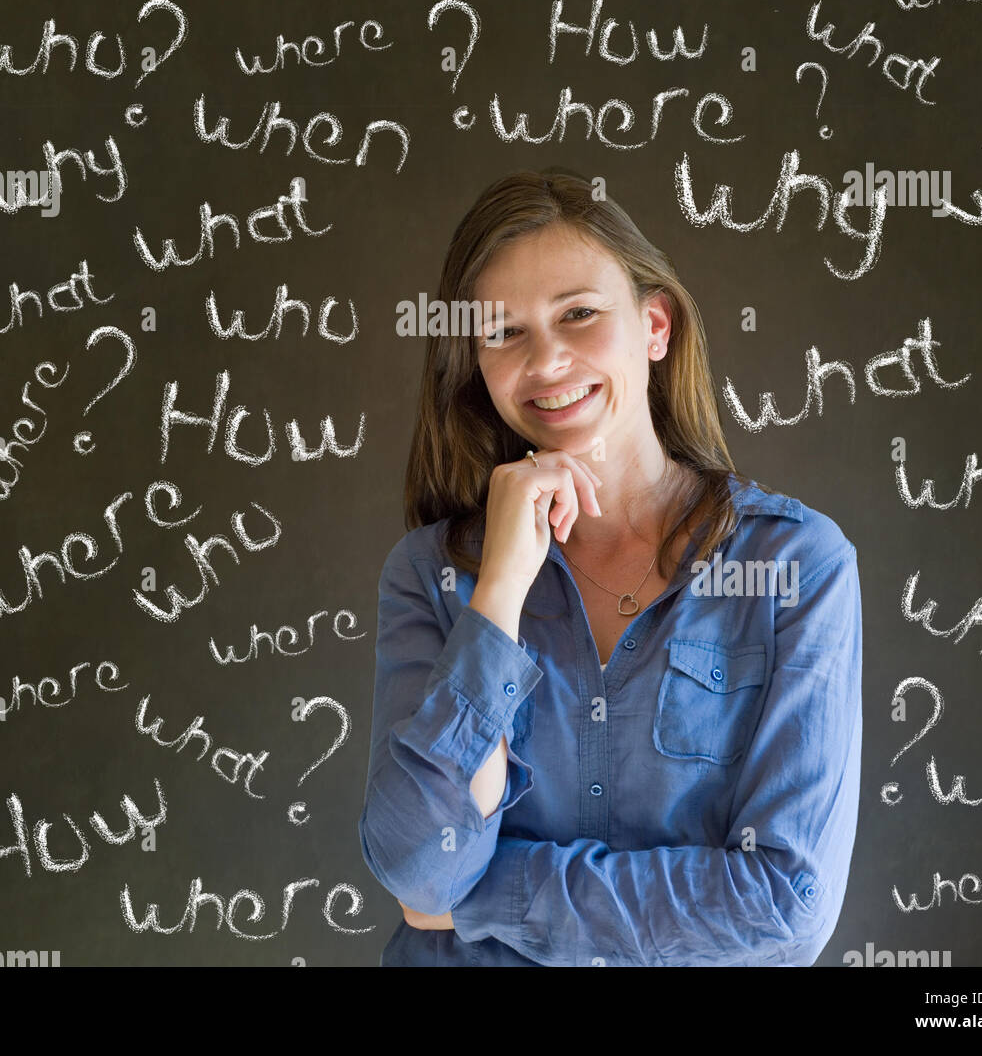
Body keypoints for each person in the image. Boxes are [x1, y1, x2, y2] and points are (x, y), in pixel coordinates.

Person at [357, 168, 862, 966]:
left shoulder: (796, 565)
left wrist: (479, 899)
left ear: (655, 325)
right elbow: (420, 861)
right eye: (503, 330)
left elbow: (786, 904)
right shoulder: (431, 574)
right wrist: (498, 593)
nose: (548, 361)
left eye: (580, 314)